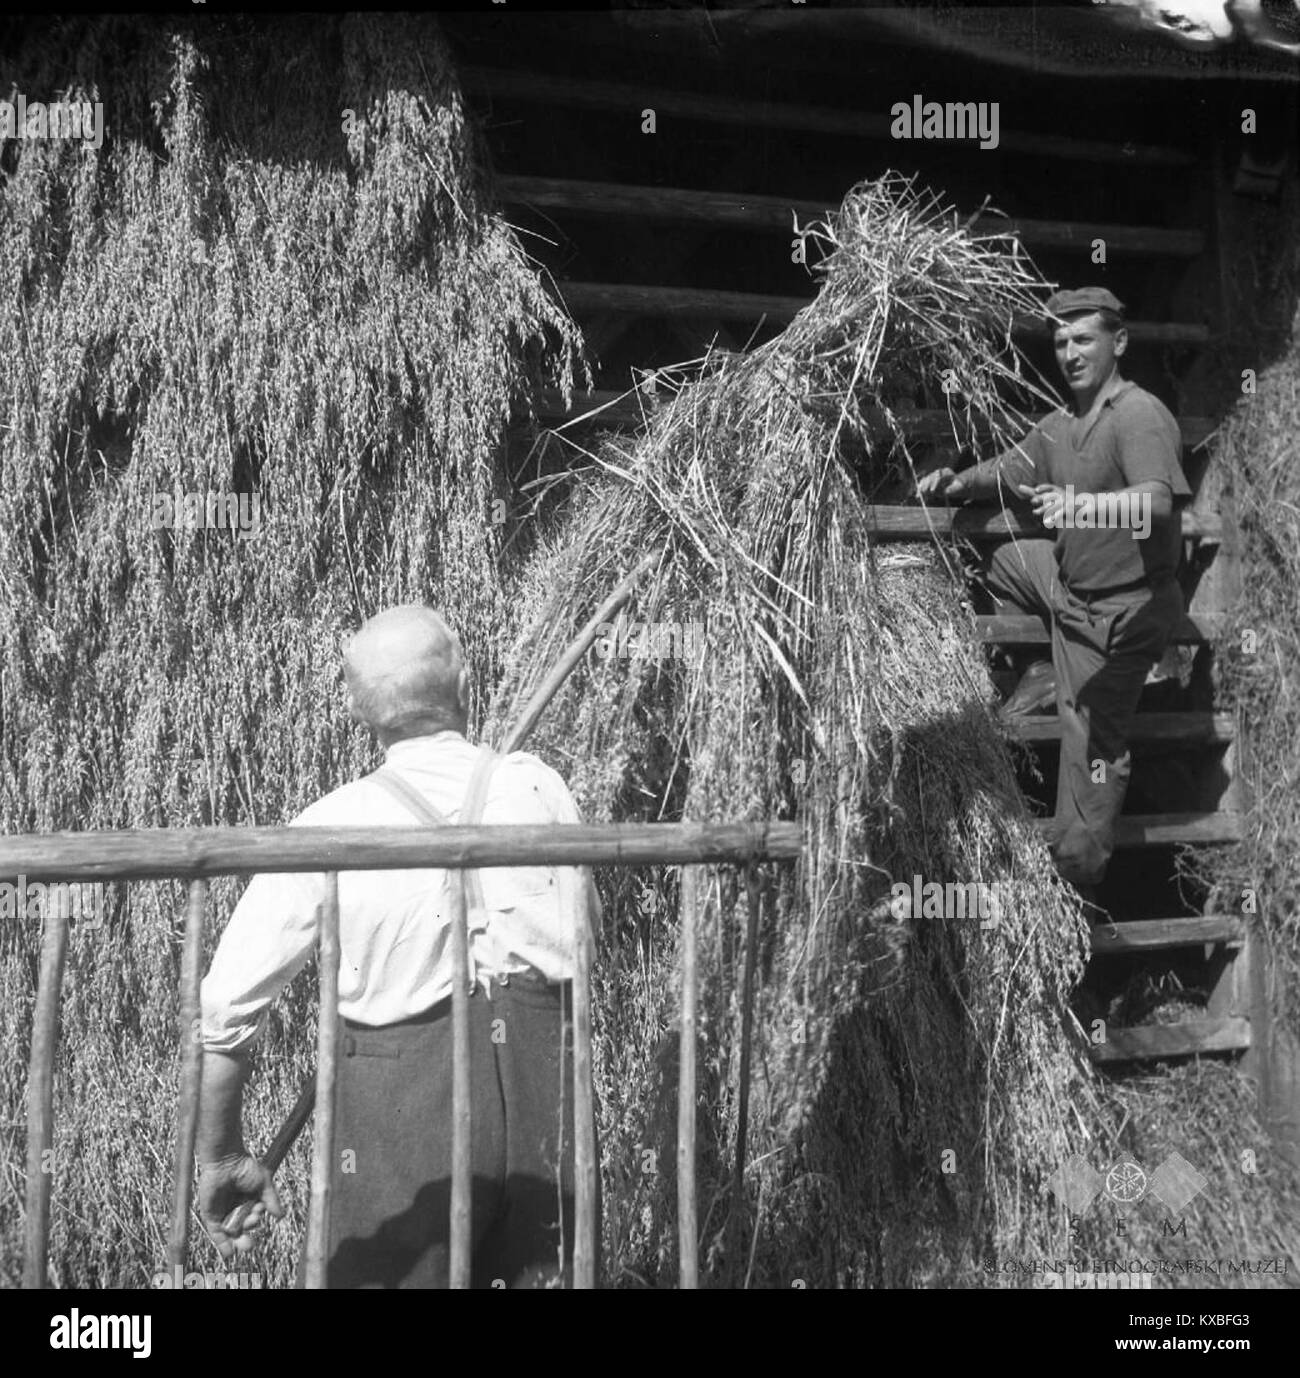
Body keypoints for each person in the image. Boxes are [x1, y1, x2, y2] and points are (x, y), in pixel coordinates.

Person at [196, 605, 599, 1287]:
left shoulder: (331, 826)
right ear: (465, 679)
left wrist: (220, 1156)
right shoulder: (540, 787)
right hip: (546, 1116)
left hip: (402, 1130)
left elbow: (227, 1003)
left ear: (361, 711)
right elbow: (587, 928)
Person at [917, 287, 1191, 900]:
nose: (1070, 352)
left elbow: (1156, 500)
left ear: (1118, 343)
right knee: (1006, 556)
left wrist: (1079, 506)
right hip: (1069, 583)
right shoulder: (1061, 425)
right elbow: (1008, 470)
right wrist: (957, 482)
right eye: (1061, 342)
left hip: (1121, 610)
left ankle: (1076, 876)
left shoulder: (1137, 415)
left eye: (1084, 339)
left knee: (1092, 744)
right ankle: (1037, 665)